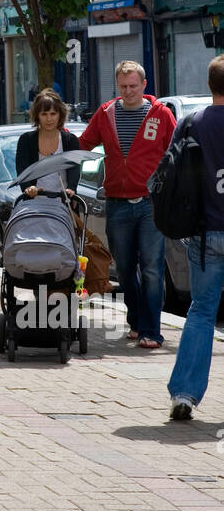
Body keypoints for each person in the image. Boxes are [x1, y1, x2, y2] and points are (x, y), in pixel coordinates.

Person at [79, 60, 175, 349]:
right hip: (117, 203)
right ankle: (136, 320)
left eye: (134, 86)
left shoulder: (162, 115)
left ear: (144, 86)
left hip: (150, 204)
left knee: (152, 268)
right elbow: (82, 144)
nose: (129, 91)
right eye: (124, 87)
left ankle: (152, 331)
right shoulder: (106, 113)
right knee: (123, 268)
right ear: (117, 87)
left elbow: (177, 153)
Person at [167, 58, 224, 419]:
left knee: (202, 311)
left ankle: (185, 394)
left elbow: (170, 171)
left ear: (209, 84)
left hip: (204, 234)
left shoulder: (192, 123)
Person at [15, 90, 82, 198]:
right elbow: (22, 169)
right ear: (37, 116)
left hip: (63, 203)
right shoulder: (26, 140)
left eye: (53, 114)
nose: (49, 119)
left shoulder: (70, 140)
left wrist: (71, 188)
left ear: (60, 115)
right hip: (34, 203)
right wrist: (28, 187)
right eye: (44, 114)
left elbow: (74, 169)